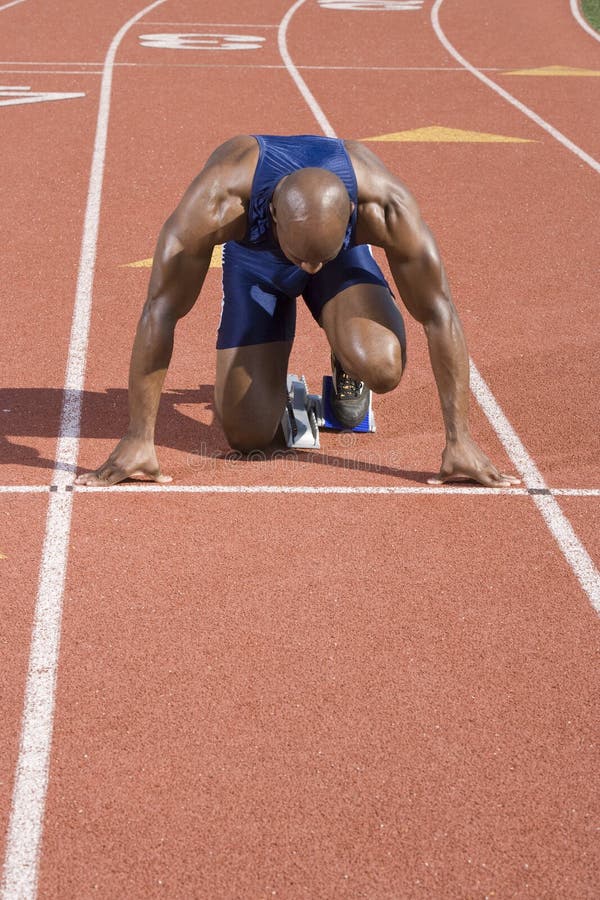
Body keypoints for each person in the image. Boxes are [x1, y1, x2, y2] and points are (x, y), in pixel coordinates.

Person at [75, 134, 519, 488]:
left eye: (316, 259)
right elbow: (161, 309)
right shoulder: (217, 203)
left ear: (351, 217)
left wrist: (460, 440)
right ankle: (281, 388)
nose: (308, 267)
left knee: (383, 367)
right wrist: (138, 438)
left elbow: (439, 312)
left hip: (342, 261)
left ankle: (345, 358)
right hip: (258, 263)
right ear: (270, 213)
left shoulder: (384, 206)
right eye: (302, 255)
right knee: (248, 439)